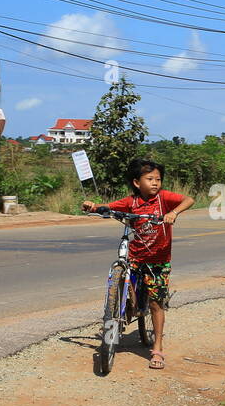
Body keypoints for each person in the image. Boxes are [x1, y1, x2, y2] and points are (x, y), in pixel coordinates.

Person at [83, 158, 195, 370]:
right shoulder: (131, 203)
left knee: (155, 303)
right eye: (150, 179)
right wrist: (92, 206)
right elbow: (106, 207)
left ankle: (157, 348)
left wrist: (173, 213)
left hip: (158, 260)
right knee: (125, 286)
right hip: (135, 256)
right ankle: (119, 311)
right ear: (136, 182)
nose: (155, 183)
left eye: (158, 179)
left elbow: (189, 199)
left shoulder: (164, 198)